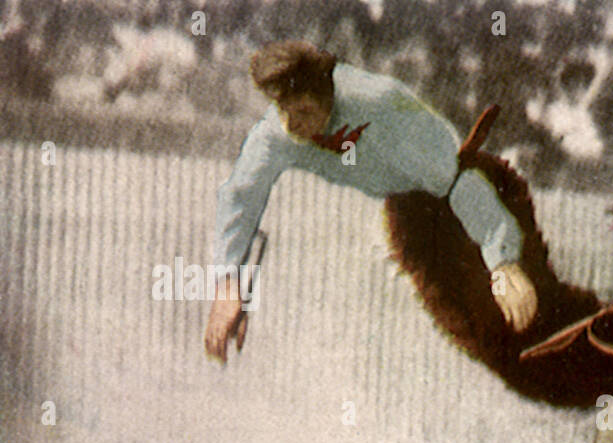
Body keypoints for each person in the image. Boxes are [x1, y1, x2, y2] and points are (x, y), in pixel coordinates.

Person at [204, 40, 537, 361]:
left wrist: (503, 262)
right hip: (398, 200)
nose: (293, 125)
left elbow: (457, 181)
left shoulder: (381, 106)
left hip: (449, 187)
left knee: (496, 310)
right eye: (283, 110)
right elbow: (240, 196)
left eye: (304, 111)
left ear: (330, 98)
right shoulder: (279, 131)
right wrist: (228, 285)